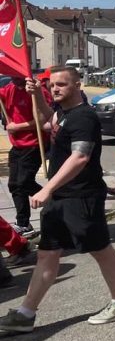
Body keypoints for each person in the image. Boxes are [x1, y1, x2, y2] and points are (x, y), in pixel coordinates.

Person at [0, 68, 115, 333]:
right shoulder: (63, 113)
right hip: (61, 197)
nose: (56, 89)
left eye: (62, 85)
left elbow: (80, 157)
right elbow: (46, 121)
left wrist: (47, 188)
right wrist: (38, 95)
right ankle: (26, 313)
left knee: (100, 249)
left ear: (77, 84)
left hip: (81, 195)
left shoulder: (84, 116)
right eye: (52, 85)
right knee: (47, 254)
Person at [0, 76, 50, 238]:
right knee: (14, 185)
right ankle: (23, 224)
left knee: (24, 182)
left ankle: (55, 200)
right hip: (17, 145)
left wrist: (17, 127)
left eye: (16, 74)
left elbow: (43, 120)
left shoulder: (37, 91)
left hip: (35, 144)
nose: (13, 78)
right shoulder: (9, 89)